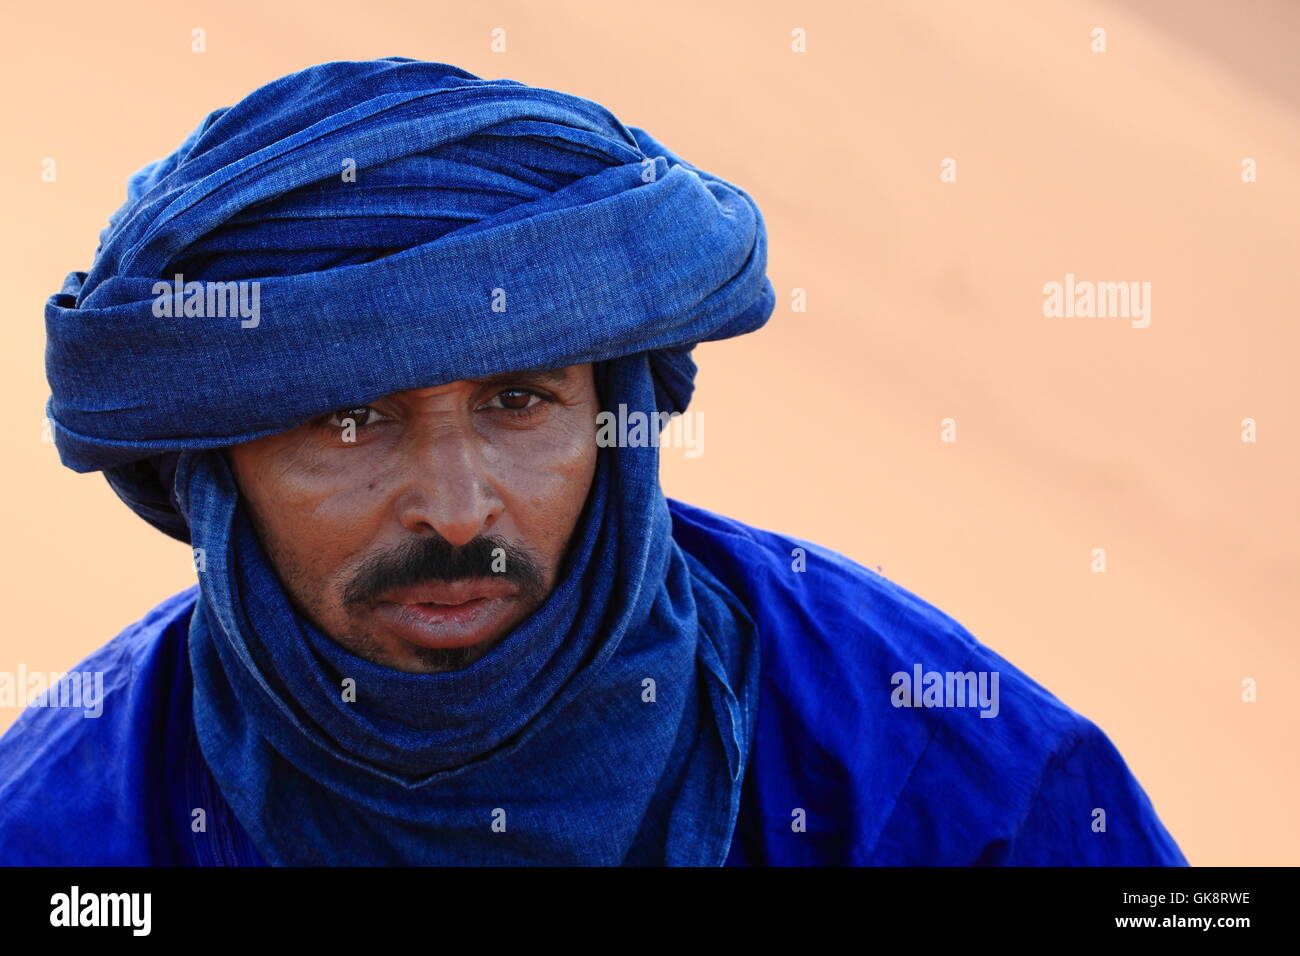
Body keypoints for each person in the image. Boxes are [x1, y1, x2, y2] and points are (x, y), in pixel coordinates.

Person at [1, 58, 1186, 866]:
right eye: (352, 421)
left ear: (618, 419)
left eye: (520, 402)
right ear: (214, 470)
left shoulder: (961, 790)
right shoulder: (56, 834)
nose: (459, 510)